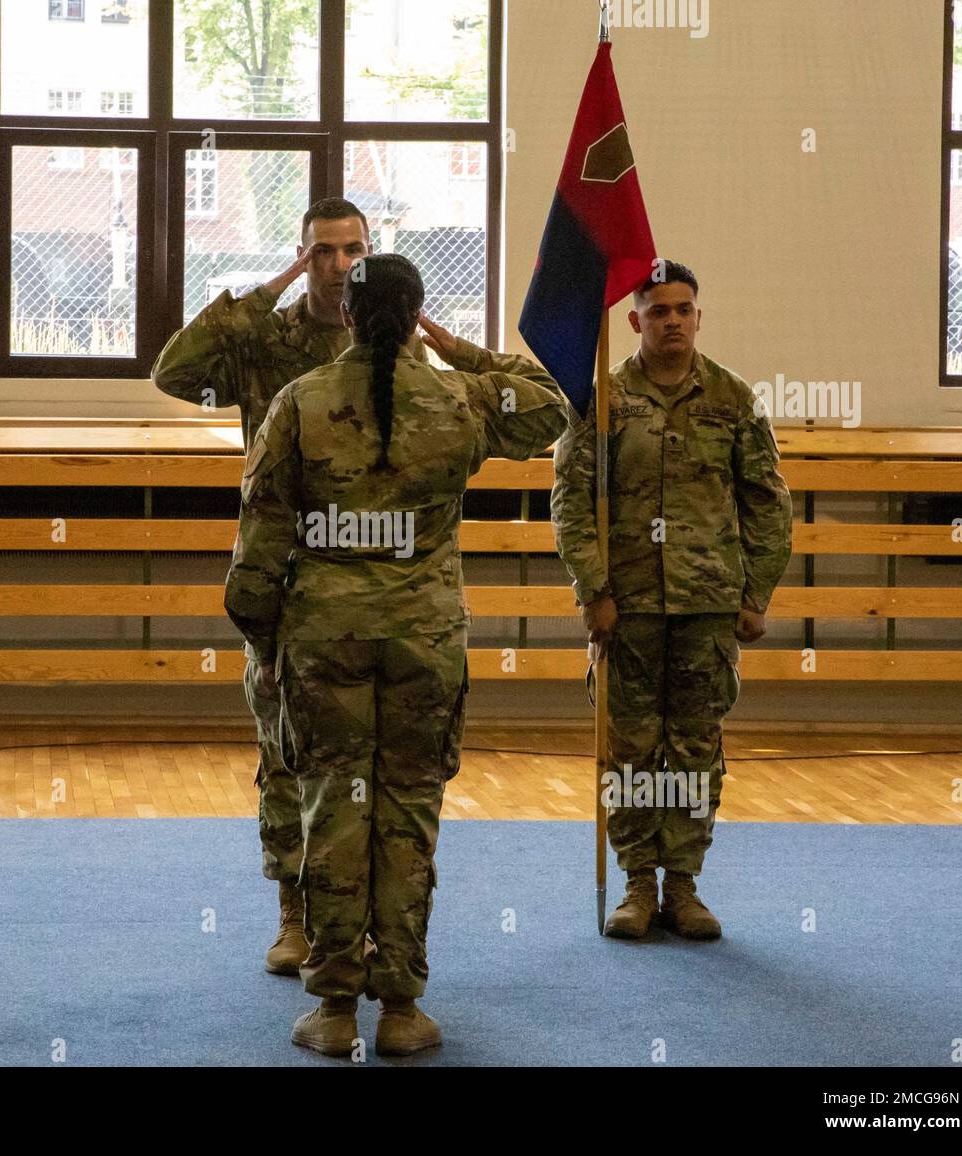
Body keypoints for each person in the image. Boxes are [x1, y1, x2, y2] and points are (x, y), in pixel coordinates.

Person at [225, 254, 567, 1056]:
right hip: (425, 641)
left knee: (334, 812)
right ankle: (403, 1010)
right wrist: (459, 349)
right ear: (416, 317)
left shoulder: (299, 404)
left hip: (323, 643)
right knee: (409, 813)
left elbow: (255, 555)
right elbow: (552, 404)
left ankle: (336, 1010)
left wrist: (264, 642)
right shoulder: (460, 398)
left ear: (346, 312)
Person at [151, 198, 370, 975]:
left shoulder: (386, 347)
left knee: (358, 765)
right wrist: (264, 290)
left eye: (352, 251)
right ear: (303, 256)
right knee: (283, 752)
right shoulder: (266, 343)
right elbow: (172, 371)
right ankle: (292, 915)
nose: (340, 266)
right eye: (323, 252)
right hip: (281, 578)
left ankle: (356, 917)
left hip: (365, 580)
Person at [551, 261, 793, 941]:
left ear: (698, 316)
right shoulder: (601, 401)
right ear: (635, 321)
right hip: (625, 608)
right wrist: (592, 589)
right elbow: (570, 501)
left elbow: (767, 502)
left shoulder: (732, 398)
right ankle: (635, 882)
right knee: (627, 749)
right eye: (659, 311)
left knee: (693, 748)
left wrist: (756, 593)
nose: (674, 322)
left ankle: (683, 885)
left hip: (707, 606)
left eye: (685, 309)